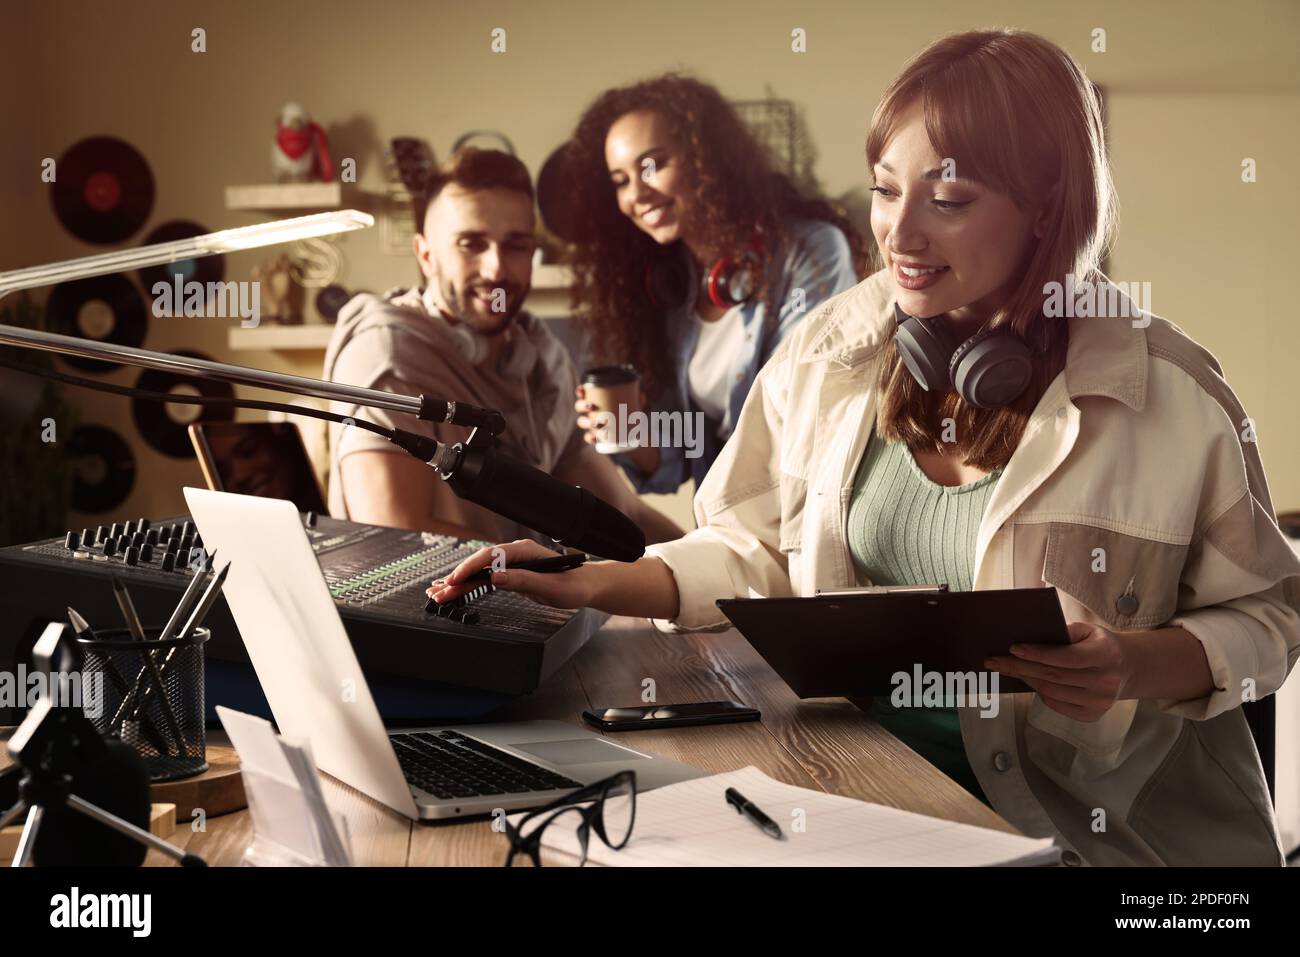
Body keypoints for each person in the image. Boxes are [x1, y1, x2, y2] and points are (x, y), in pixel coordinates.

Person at [429, 32, 1300, 866]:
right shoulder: (831, 351)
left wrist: (1134, 665)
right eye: (885, 190)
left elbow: (1271, 616)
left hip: (1112, 846)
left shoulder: (1172, 395)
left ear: (1045, 209)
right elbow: (752, 546)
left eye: (948, 201)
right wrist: (585, 578)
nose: (900, 235)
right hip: (874, 811)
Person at [324, 147, 682, 545]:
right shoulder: (387, 355)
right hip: (433, 606)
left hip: (541, 599)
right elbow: (394, 533)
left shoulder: (541, 361)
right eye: (471, 244)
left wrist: (719, 576)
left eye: (516, 245)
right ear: (426, 255)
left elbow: (621, 518)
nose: (496, 269)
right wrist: (559, 575)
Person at [564, 75, 864, 496]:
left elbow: (799, 412)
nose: (637, 194)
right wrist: (628, 432)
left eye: (652, 166)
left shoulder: (809, 251)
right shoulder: (672, 287)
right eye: (620, 180)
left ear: (708, 159)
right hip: (730, 531)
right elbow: (680, 459)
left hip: (806, 514)